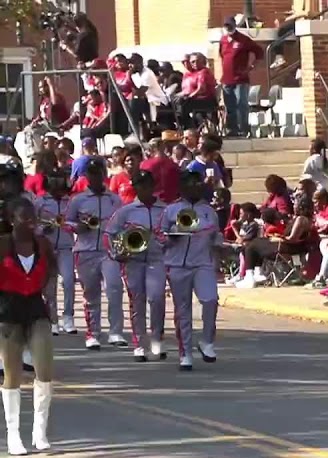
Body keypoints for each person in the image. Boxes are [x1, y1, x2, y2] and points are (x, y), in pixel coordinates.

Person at [1, 197, 56, 456]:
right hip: (8, 313)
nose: (32, 222)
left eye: (33, 216)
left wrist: (47, 291)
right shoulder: (3, 245)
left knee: (44, 370)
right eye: (25, 217)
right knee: (12, 375)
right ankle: (13, 435)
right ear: (12, 220)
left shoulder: (42, 244)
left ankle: (39, 431)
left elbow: (52, 270)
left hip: (36, 310)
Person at [103, 170, 169, 362]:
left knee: (157, 299)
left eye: (146, 184)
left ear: (152, 186)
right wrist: (117, 253)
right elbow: (109, 234)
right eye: (138, 185)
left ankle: (157, 339)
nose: (143, 189)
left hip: (156, 260)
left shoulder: (164, 210)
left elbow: (173, 232)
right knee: (137, 301)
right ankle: (139, 344)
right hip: (133, 261)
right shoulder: (126, 211)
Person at [161, 170, 222, 370]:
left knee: (210, 300)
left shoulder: (209, 211)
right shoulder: (171, 210)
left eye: (198, 183)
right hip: (177, 265)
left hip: (203, 263)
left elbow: (216, 239)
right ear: (182, 187)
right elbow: (159, 238)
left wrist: (219, 260)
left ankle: (207, 341)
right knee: (183, 311)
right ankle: (185, 353)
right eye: (191, 184)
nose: (195, 187)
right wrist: (172, 236)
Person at [67, 160, 126, 350]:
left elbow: (124, 222)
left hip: (109, 251)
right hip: (85, 250)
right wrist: (78, 227)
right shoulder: (78, 200)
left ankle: (116, 332)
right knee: (91, 293)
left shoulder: (114, 199)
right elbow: (66, 222)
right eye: (91, 173)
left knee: (115, 288)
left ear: (103, 174)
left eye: (98, 172)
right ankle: (93, 333)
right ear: (86, 176)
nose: (95, 176)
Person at [34, 168, 76, 336]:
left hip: (65, 247)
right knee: (49, 287)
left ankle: (68, 317)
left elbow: (75, 222)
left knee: (68, 281)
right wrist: (43, 229)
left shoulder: (70, 202)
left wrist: (69, 225)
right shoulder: (40, 201)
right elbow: (33, 223)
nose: (57, 185)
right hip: (48, 247)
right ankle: (53, 320)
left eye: (60, 181)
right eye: (53, 180)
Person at [218, 18, 263, 137]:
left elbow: (259, 52)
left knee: (241, 104)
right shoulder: (223, 40)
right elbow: (221, 57)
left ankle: (244, 129)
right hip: (227, 80)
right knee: (230, 106)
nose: (228, 28)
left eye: (230, 26)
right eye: (226, 26)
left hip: (240, 79)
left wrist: (251, 66)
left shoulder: (243, 39)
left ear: (234, 25)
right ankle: (232, 129)